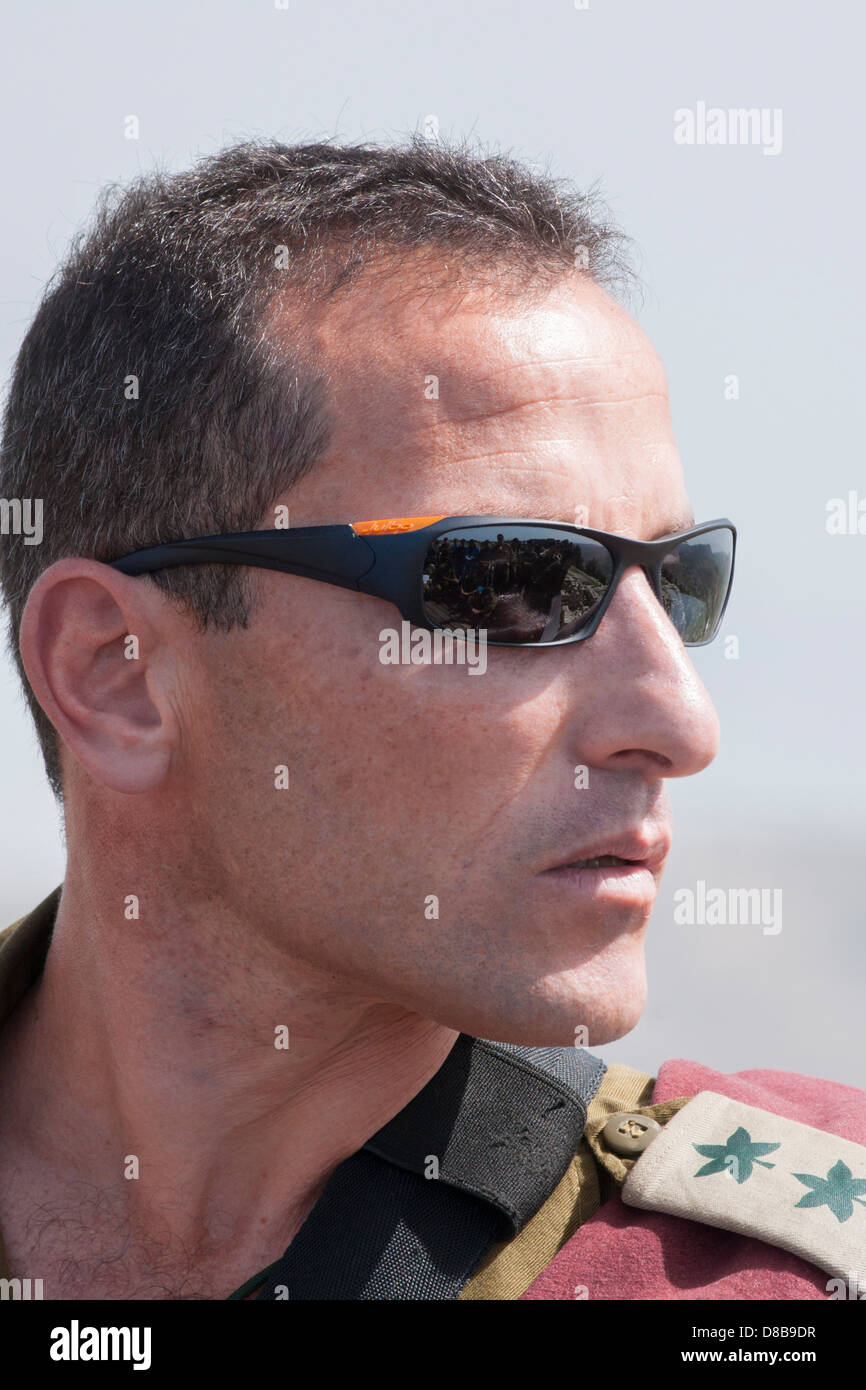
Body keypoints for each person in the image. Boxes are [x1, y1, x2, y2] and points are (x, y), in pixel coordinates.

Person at [0, 138, 862, 1302]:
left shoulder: (782, 1278)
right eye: (513, 582)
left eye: (680, 582)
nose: (678, 721)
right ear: (118, 672)